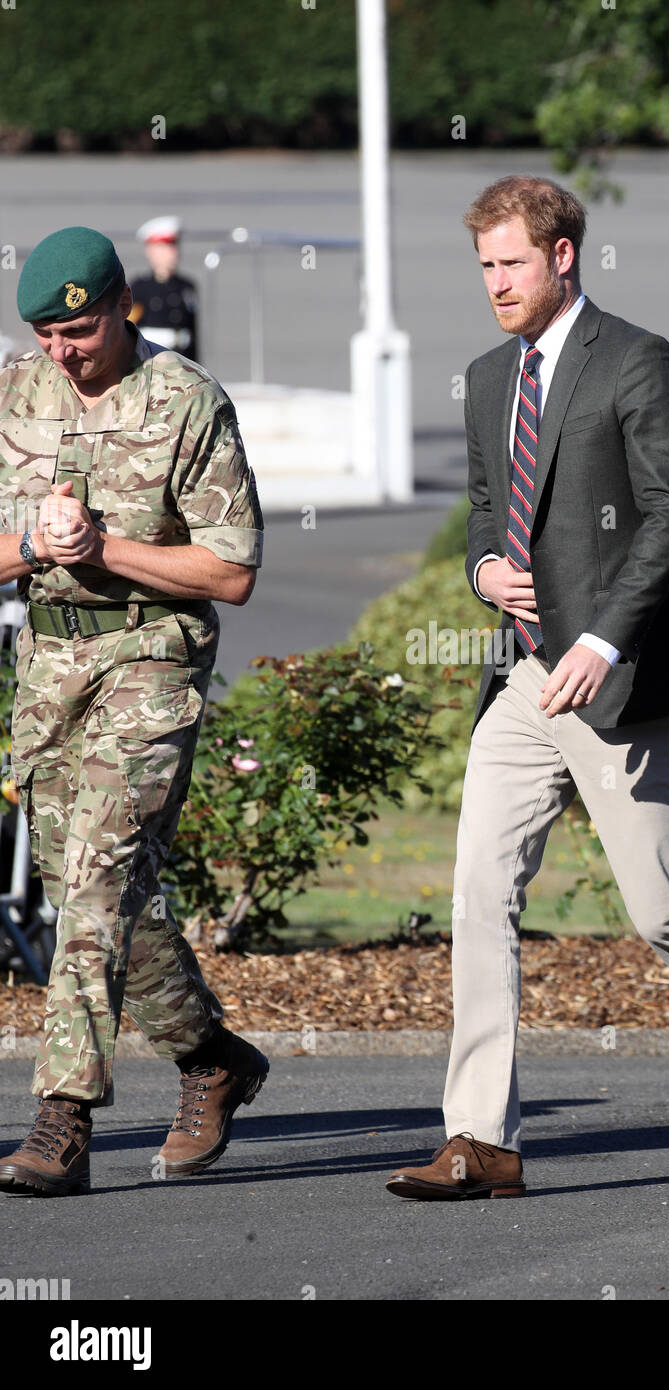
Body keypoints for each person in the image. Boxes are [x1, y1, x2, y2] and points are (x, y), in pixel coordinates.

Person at [386, 176, 669, 1201]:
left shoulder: (634, 359)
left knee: (661, 908)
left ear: (563, 255)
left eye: (510, 263)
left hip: (620, 684)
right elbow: (488, 511)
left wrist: (602, 639)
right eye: (483, 266)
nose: (494, 283)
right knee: (480, 891)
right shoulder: (489, 377)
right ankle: (479, 1138)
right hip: (524, 680)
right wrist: (481, 570)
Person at [0, 225, 267, 1197]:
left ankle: (62, 1119)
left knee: (100, 872)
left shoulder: (185, 400)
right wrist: (34, 540)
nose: (63, 351)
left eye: (78, 329)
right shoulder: (15, 394)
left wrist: (105, 548)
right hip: (50, 665)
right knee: (96, 892)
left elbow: (231, 569)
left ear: (122, 309)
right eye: (46, 333)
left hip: (152, 656)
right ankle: (211, 1058)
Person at [129, 216, 199, 362]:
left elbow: (193, 332)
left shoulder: (187, 287)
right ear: (151, 251)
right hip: (152, 359)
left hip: (182, 358)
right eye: (166, 246)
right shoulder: (139, 287)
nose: (173, 252)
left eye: (174, 245)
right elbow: (130, 326)